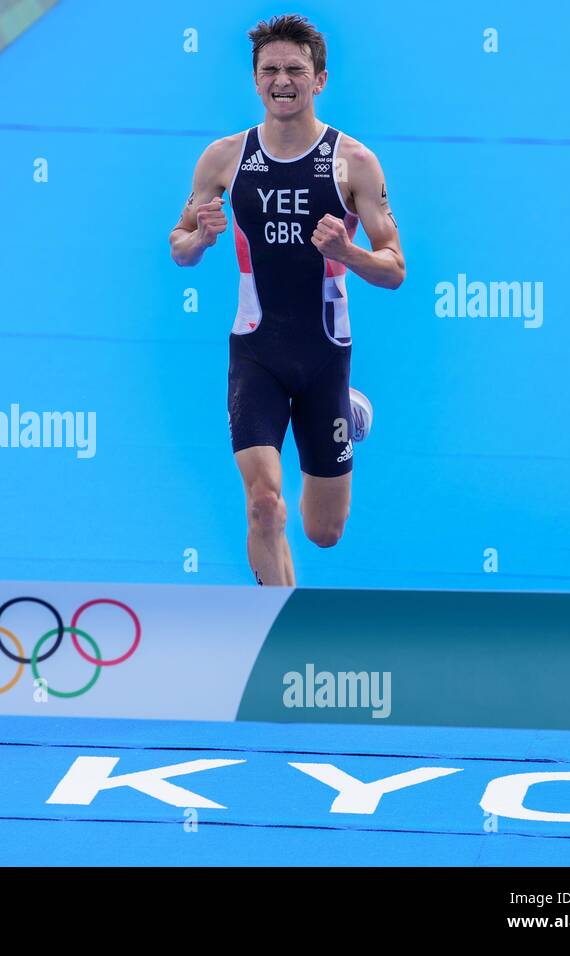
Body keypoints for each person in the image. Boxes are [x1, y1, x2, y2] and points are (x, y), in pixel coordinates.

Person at [168, 13, 405, 586]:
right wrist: (199, 238)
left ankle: (349, 410)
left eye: (296, 70)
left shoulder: (354, 163)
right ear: (254, 79)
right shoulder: (224, 159)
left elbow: (395, 267)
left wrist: (346, 253)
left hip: (325, 354)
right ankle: (281, 625)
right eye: (270, 69)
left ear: (319, 80)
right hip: (255, 352)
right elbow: (177, 246)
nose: (282, 80)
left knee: (323, 531)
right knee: (264, 505)